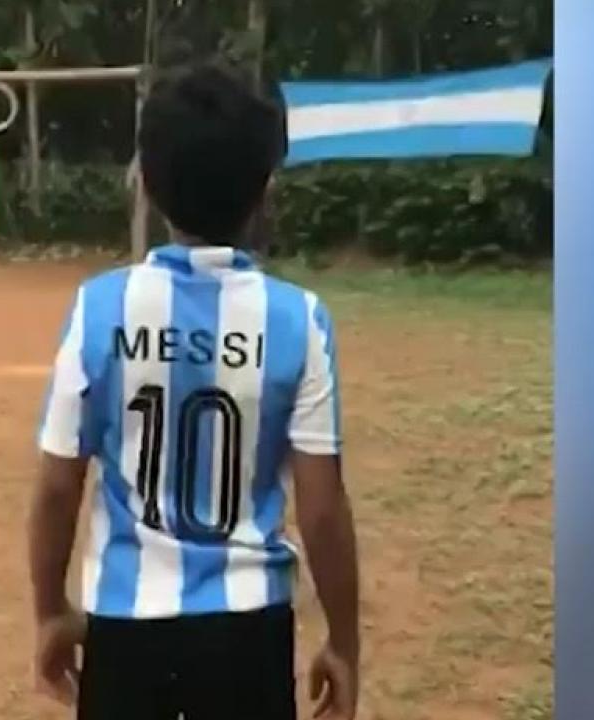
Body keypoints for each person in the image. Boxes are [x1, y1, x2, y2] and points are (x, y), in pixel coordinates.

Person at [28, 60, 360, 720]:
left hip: (125, 628)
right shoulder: (299, 320)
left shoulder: (100, 309)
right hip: (248, 634)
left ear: (146, 184)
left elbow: (59, 485)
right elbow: (321, 509)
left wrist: (48, 611)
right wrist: (345, 643)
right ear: (264, 189)